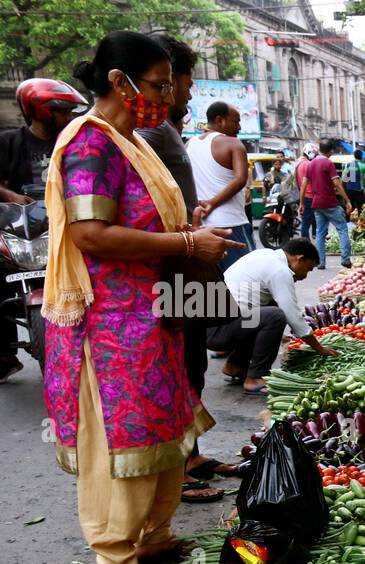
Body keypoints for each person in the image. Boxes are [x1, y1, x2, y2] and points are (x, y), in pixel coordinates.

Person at [45, 31, 242, 564]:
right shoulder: (91, 144)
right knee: (120, 436)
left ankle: (152, 535)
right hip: (111, 320)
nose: (168, 96)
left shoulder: (129, 141)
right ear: (118, 81)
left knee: (163, 425)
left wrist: (187, 236)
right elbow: (89, 233)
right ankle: (115, 557)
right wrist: (185, 246)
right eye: (159, 84)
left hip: (150, 311)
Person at [136, 34, 234, 500]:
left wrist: (190, 220)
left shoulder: (167, 131)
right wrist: (187, 238)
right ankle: (180, 465)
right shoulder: (149, 133)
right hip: (173, 266)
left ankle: (190, 453)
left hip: (188, 257)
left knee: (192, 360)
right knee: (180, 363)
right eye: (181, 83)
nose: (188, 93)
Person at [0, 78, 88, 383]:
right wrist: (12, 197)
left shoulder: (74, 140)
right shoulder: (9, 142)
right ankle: (3, 353)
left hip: (66, 229)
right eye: (61, 110)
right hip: (19, 230)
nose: (67, 117)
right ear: (38, 111)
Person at [211, 238, 336, 395]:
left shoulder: (264, 255)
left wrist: (278, 335)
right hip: (218, 328)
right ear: (299, 258)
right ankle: (255, 378)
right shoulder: (280, 270)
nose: (305, 276)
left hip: (213, 325)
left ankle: (236, 366)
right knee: (276, 315)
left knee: (269, 309)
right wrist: (319, 348)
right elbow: (292, 313)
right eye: (308, 269)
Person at [187, 100, 251, 270]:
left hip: (202, 228)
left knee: (214, 285)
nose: (239, 128)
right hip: (231, 223)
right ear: (220, 120)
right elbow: (240, 179)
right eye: (236, 121)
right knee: (246, 282)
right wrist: (212, 203)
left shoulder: (189, 144)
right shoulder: (233, 143)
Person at [304, 138, 352, 269]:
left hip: (316, 203)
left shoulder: (311, 164)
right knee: (342, 229)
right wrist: (347, 200)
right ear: (330, 151)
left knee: (320, 233)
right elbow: (337, 183)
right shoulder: (328, 164)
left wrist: (301, 202)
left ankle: (320, 262)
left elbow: (304, 184)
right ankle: (345, 259)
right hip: (330, 202)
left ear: (319, 149)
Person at [296, 142, 317, 241]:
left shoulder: (299, 163)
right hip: (309, 196)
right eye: (313, 153)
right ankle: (305, 243)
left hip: (304, 195)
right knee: (306, 222)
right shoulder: (308, 164)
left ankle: (312, 236)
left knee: (308, 220)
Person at [342, 147, 365, 214]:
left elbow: (344, 178)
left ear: (354, 156)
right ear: (361, 156)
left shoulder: (349, 165)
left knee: (350, 206)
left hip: (350, 190)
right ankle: (360, 222)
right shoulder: (362, 165)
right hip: (359, 190)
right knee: (361, 208)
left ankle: (348, 221)